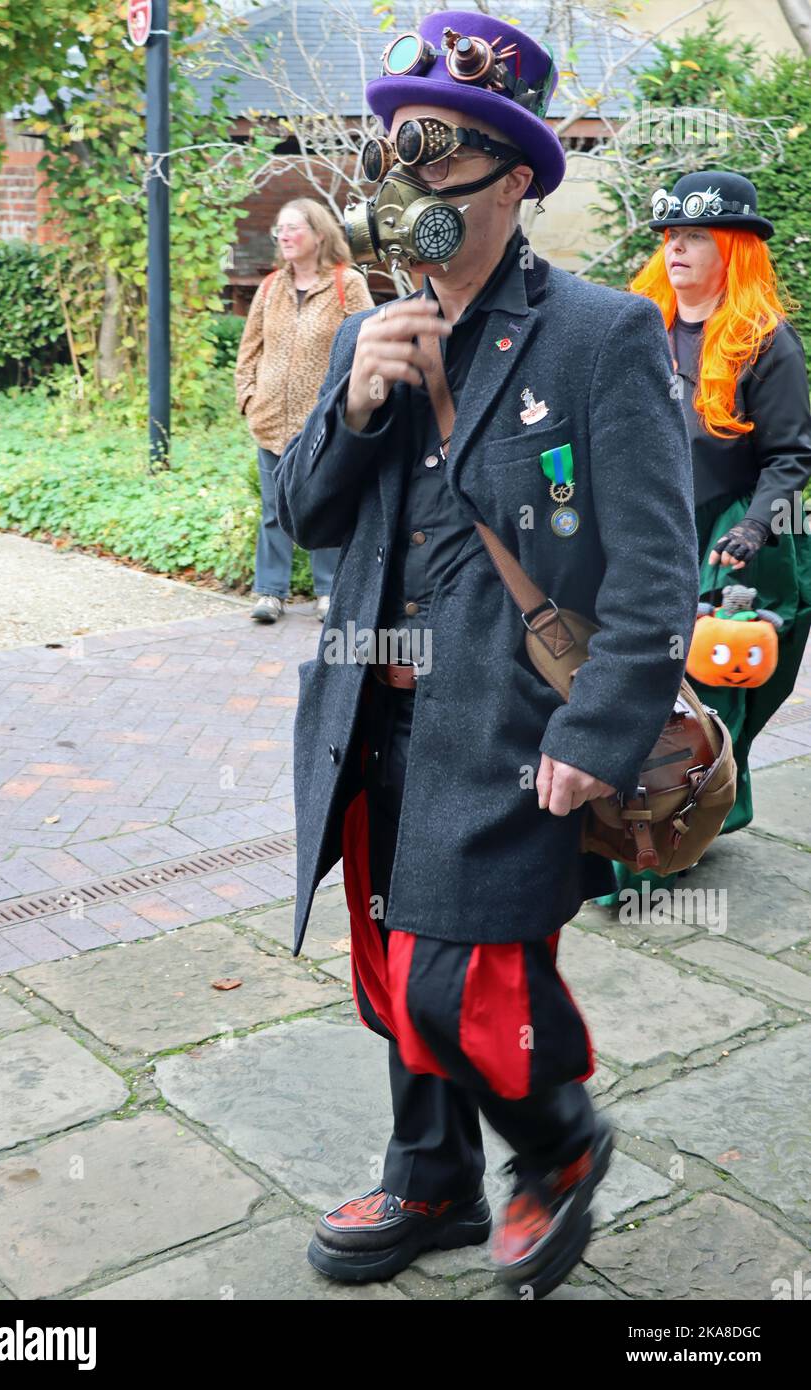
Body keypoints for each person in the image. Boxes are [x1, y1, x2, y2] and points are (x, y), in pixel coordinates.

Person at [275, 10, 699, 1296]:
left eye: (444, 155)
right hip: (368, 708)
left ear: (513, 178)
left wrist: (597, 730)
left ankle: (559, 1149)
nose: (412, 183)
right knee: (387, 971)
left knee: (456, 984)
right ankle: (431, 1179)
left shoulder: (595, 336)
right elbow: (301, 516)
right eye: (399, 152)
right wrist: (351, 407)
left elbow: (653, 567)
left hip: (507, 731)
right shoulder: (367, 331)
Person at [596, 171, 811, 908]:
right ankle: (637, 840)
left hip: (732, 538)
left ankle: (685, 819)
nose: (677, 250)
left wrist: (755, 528)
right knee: (636, 685)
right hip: (645, 532)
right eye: (670, 238)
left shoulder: (764, 342)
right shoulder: (635, 326)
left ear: (733, 250)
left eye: (694, 237)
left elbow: (791, 457)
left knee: (713, 696)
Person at [235, 198, 374, 623]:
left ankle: (329, 591)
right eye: (280, 228)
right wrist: (249, 398)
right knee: (275, 508)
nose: (284, 235)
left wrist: (356, 406)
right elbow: (249, 349)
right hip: (271, 420)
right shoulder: (271, 286)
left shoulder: (345, 284)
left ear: (319, 234)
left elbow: (367, 345)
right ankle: (270, 593)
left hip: (324, 422)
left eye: (294, 227)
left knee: (325, 503)